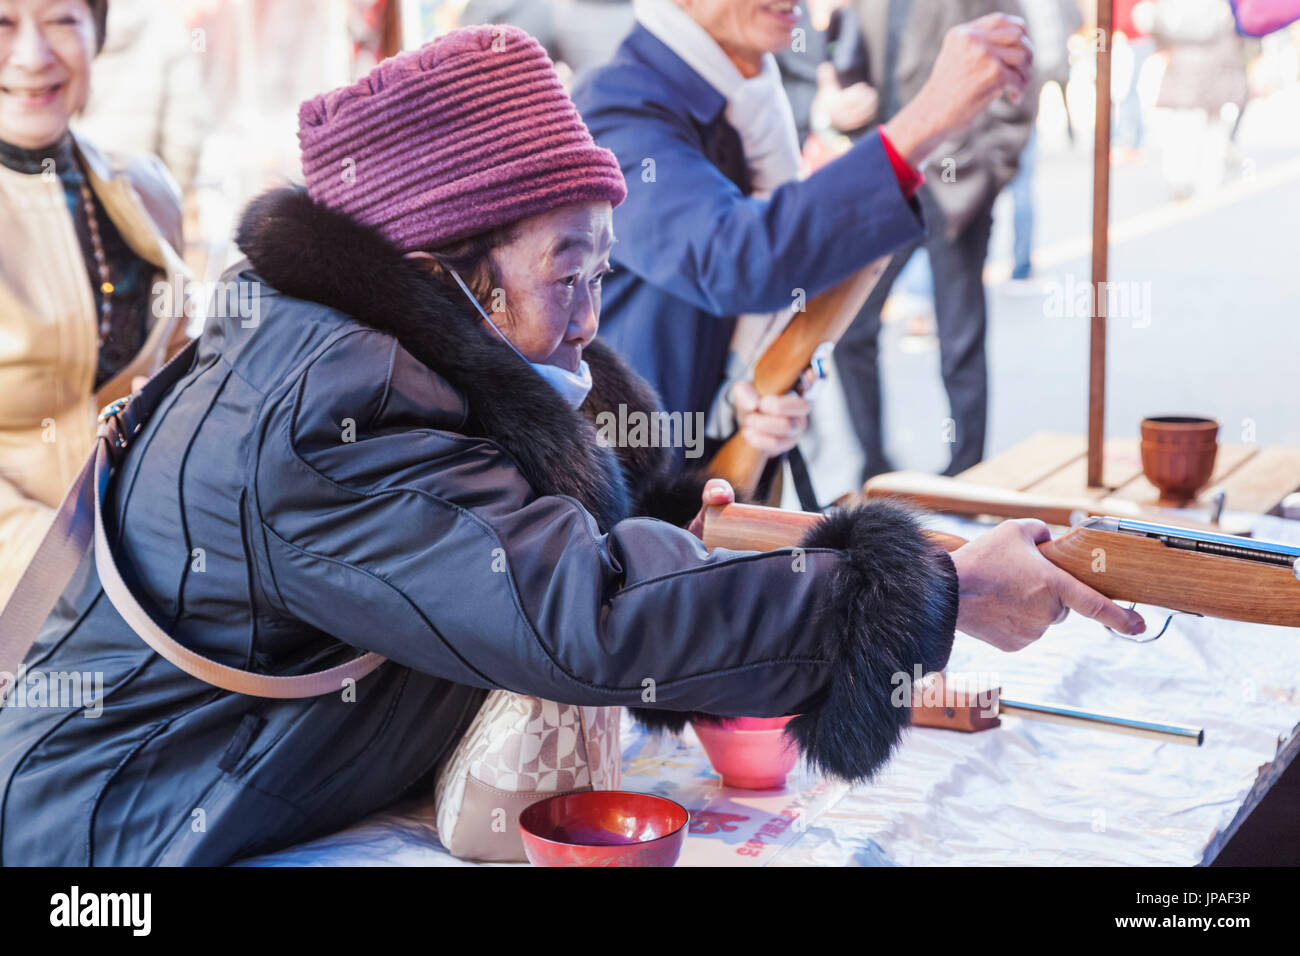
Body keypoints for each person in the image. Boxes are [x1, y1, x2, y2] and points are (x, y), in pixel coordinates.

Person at [0, 24, 1143, 866]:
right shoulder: (328, 415)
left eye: (606, 268)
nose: (594, 313)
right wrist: (929, 595)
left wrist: (863, 539)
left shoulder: (441, 344)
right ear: (452, 270)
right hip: (120, 839)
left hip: (278, 772)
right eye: (573, 271)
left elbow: (647, 500)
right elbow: (592, 613)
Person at [571, 0, 1036, 504]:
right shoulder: (617, 102)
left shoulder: (753, 90)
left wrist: (743, 397)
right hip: (633, 494)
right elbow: (734, 257)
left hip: (715, 468)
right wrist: (926, 121)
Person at [0, 0, 190, 611]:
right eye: (2, 23)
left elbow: (184, 374)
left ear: (98, 32)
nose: (34, 56)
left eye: (61, 20)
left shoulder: (145, 189)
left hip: (150, 577)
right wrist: (80, 581)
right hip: (33, 607)